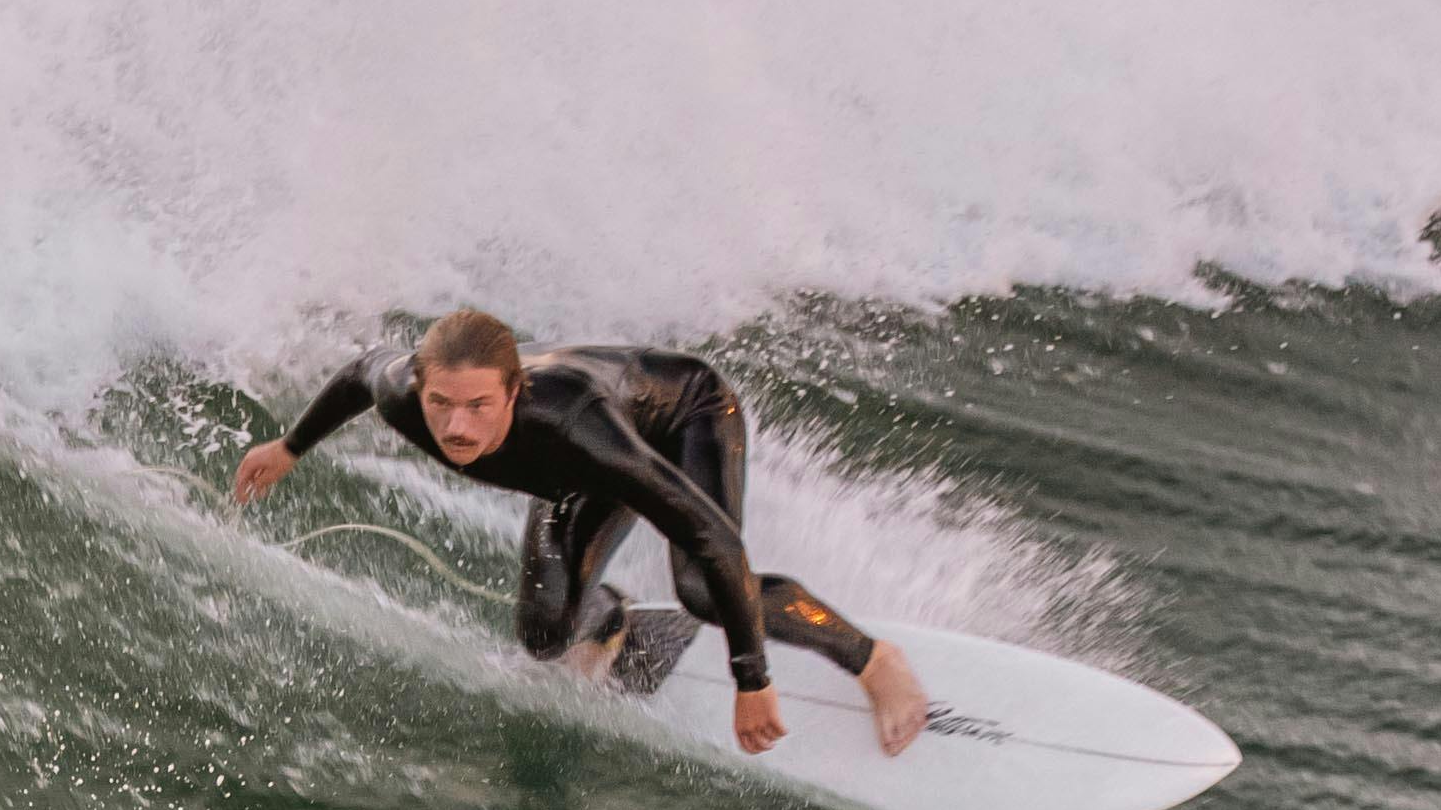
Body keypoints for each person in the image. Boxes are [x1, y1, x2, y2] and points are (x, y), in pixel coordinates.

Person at [233, 304, 927, 759]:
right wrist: (289, 447)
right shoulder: (404, 393)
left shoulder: (573, 423)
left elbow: (712, 536)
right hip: (577, 473)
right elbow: (359, 372)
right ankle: (610, 620)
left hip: (683, 415)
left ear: (513, 392)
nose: (456, 428)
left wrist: (751, 677)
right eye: (441, 403)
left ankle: (872, 658)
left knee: (701, 587)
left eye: (478, 405)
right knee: (543, 637)